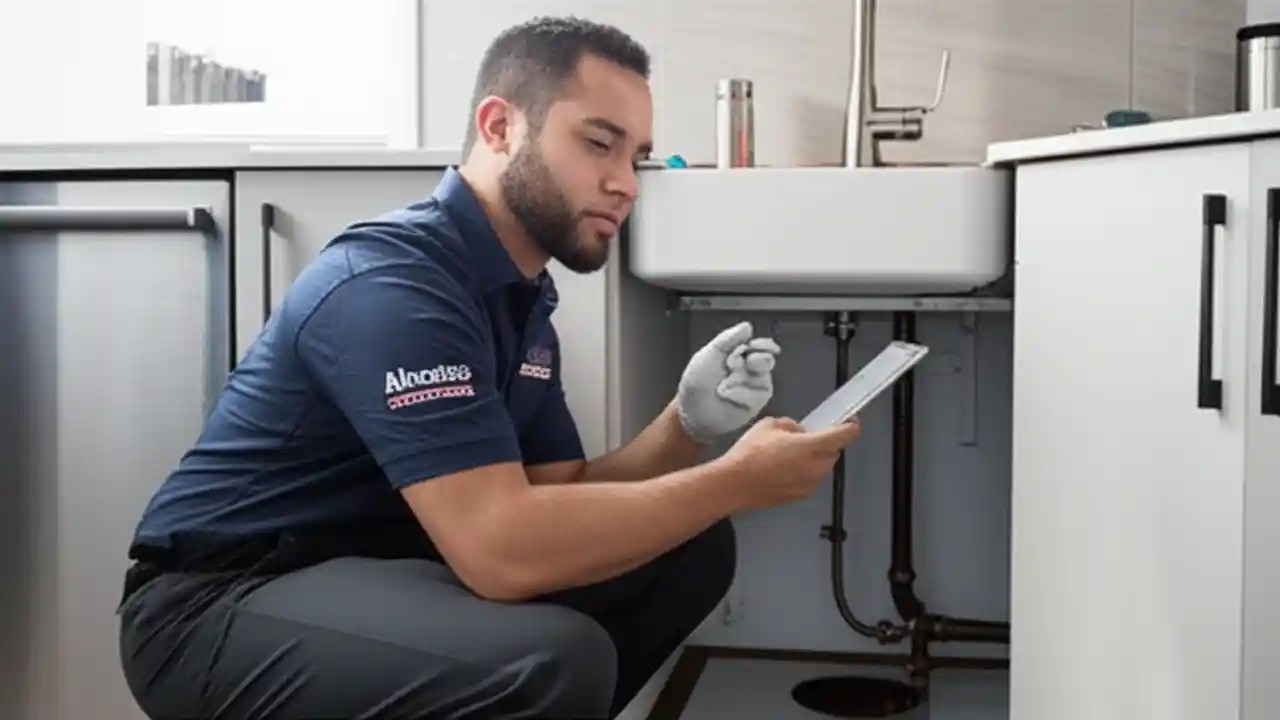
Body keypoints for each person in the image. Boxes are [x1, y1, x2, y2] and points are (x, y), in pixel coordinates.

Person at [116, 15, 863, 720]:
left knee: (690, 550)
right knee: (549, 661)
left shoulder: (519, 297)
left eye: (635, 156)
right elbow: (502, 552)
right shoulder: (395, 285)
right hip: (218, 603)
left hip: (375, 570)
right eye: (598, 144)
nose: (627, 183)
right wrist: (736, 479)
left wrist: (686, 427)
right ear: (500, 127)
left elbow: (557, 496)